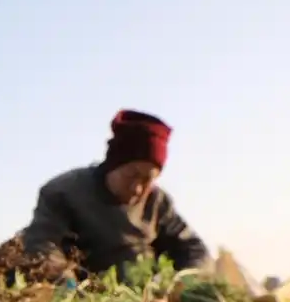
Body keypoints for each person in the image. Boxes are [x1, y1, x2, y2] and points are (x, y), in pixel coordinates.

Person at [17, 109, 210, 282]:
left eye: (147, 180)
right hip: (85, 297)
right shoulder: (63, 192)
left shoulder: (157, 202)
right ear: (113, 165)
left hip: (145, 300)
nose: (137, 189)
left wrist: (183, 282)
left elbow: (193, 249)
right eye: (131, 175)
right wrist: (67, 287)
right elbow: (43, 246)